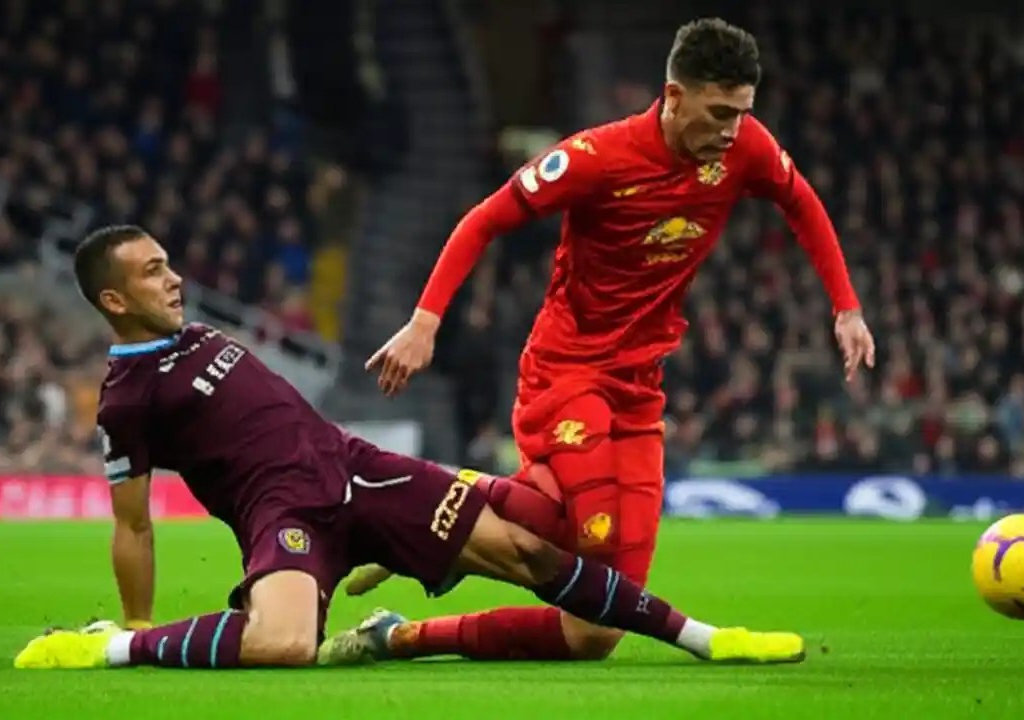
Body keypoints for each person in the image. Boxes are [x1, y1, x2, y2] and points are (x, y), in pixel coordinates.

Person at [11, 225, 805, 670]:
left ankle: (705, 639)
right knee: (287, 645)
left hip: (359, 469)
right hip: (287, 510)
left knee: (533, 550)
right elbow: (134, 523)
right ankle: (115, 650)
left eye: (169, 262)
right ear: (114, 299)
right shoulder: (127, 399)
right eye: (153, 273)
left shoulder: (194, 333)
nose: (175, 277)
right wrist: (134, 623)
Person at [356, 17, 876, 661]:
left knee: (598, 626)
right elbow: (482, 220)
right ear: (674, 95)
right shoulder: (596, 158)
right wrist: (425, 321)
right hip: (566, 372)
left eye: (742, 113)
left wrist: (846, 307)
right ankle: (443, 502)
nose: (731, 131)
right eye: (718, 112)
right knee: (589, 539)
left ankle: (400, 630)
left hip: (640, 386)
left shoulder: (747, 148)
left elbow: (802, 203)